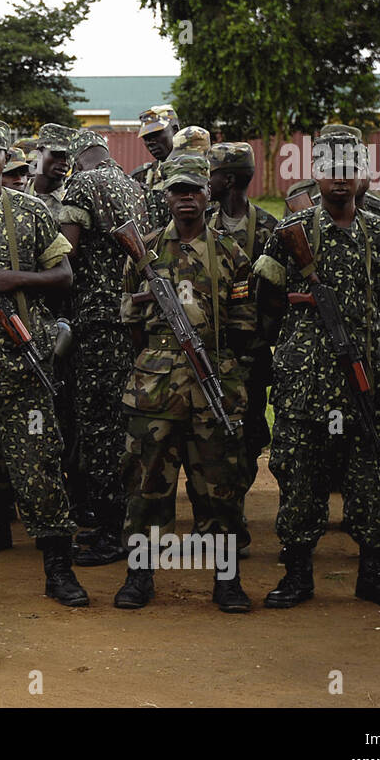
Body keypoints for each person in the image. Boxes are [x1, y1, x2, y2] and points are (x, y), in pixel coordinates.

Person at [255, 130, 380, 611]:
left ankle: (373, 573)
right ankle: (297, 574)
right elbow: (266, 298)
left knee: (370, 475)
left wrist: (372, 343)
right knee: (301, 477)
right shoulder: (294, 230)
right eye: (330, 172)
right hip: (306, 383)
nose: (339, 183)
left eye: (348, 172)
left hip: (366, 379)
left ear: (363, 175)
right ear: (316, 175)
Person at [112, 154, 254, 612]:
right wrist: (160, 355)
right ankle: (139, 577)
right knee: (147, 488)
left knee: (219, 490)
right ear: (166, 196)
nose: (186, 197)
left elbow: (244, 325)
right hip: (154, 391)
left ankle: (226, 581)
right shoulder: (145, 250)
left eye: (195, 189)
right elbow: (131, 320)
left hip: (213, 384)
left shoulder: (232, 254)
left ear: (209, 195)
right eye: (178, 190)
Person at [0, 118, 86, 607]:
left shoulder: (31, 211)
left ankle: (59, 571)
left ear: (4, 155)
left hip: (22, 368)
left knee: (38, 472)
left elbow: (64, 274)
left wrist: (10, 280)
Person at [58, 160, 150, 566]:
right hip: (128, 317)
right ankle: (121, 522)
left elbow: (68, 250)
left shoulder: (82, 184)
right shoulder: (133, 187)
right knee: (120, 422)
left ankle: (113, 531)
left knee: (97, 427)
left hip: (96, 322)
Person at [206, 142, 277, 534]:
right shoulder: (200, 223)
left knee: (249, 434)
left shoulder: (269, 228)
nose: (205, 181)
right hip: (209, 351)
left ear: (228, 179)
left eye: (211, 174)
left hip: (251, 354)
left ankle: (235, 505)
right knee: (211, 437)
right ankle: (220, 515)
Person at [131, 105, 179, 227]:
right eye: (146, 138)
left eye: (156, 134)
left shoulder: (199, 172)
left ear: (175, 130)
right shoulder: (141, 177)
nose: (151, 142)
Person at [29, 123, 76, 223]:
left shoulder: (71, 203)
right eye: (57, 154)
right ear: (39, 153)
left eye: (69, 157)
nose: (64, 162)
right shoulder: (16, 192)